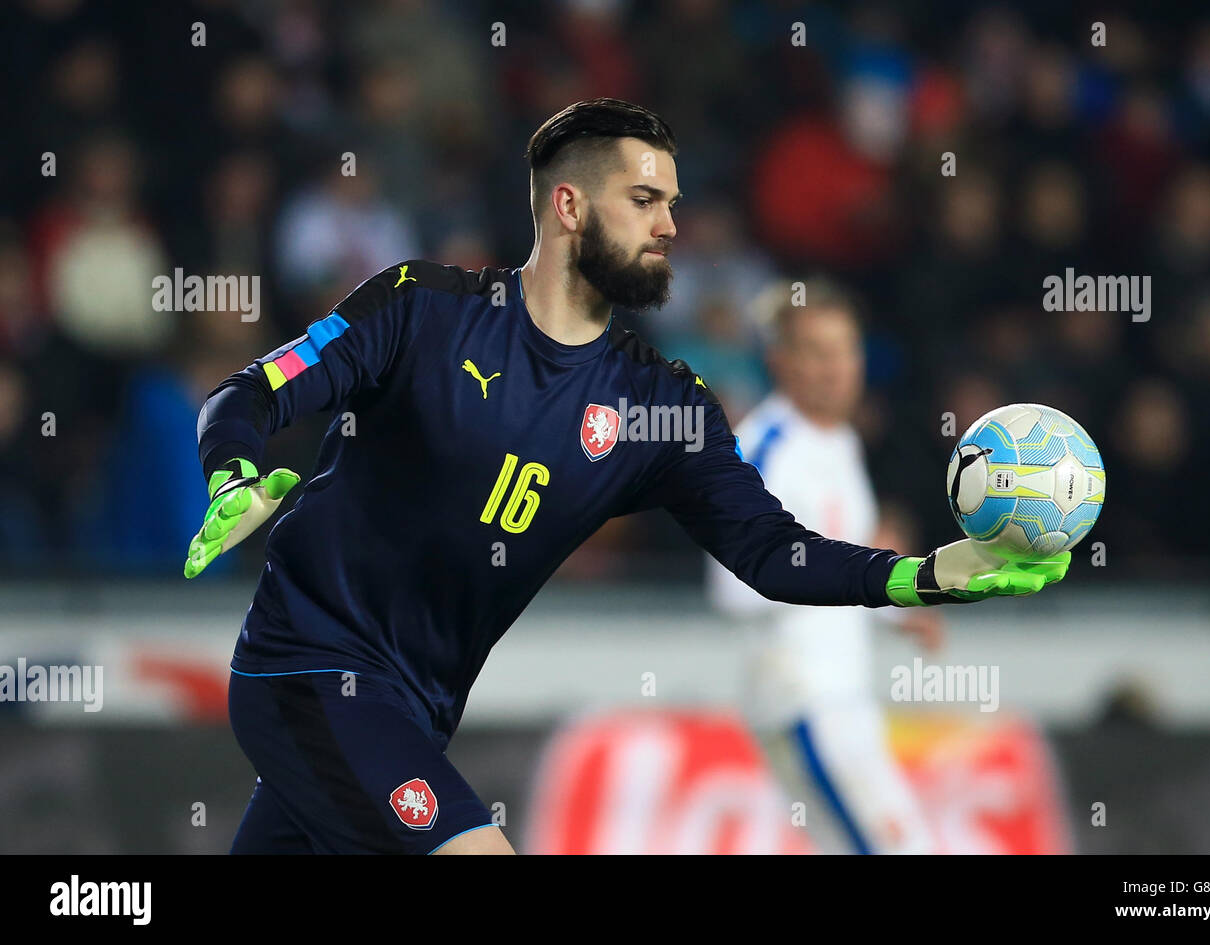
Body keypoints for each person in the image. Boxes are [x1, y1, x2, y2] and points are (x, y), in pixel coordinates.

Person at [186, 98, 1070, 855]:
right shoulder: (422, 307)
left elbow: (771, 551)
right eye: (645, 200)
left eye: (673, 204)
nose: (670, 226)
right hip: (306, 666)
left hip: (419, 708)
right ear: (568, 205)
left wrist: (923, 576)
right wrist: (233, 477)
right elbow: (247, 395)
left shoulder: (659, 405)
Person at [708, 280, 941, 854]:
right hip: (805, 695)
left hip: (840, 695)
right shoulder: (764, 448)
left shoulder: (837, 442)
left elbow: (839, 561)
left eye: (847, 350)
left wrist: (893, 608)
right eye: (817, 351)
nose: (836, 368)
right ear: (780, 361)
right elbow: (731, 587)